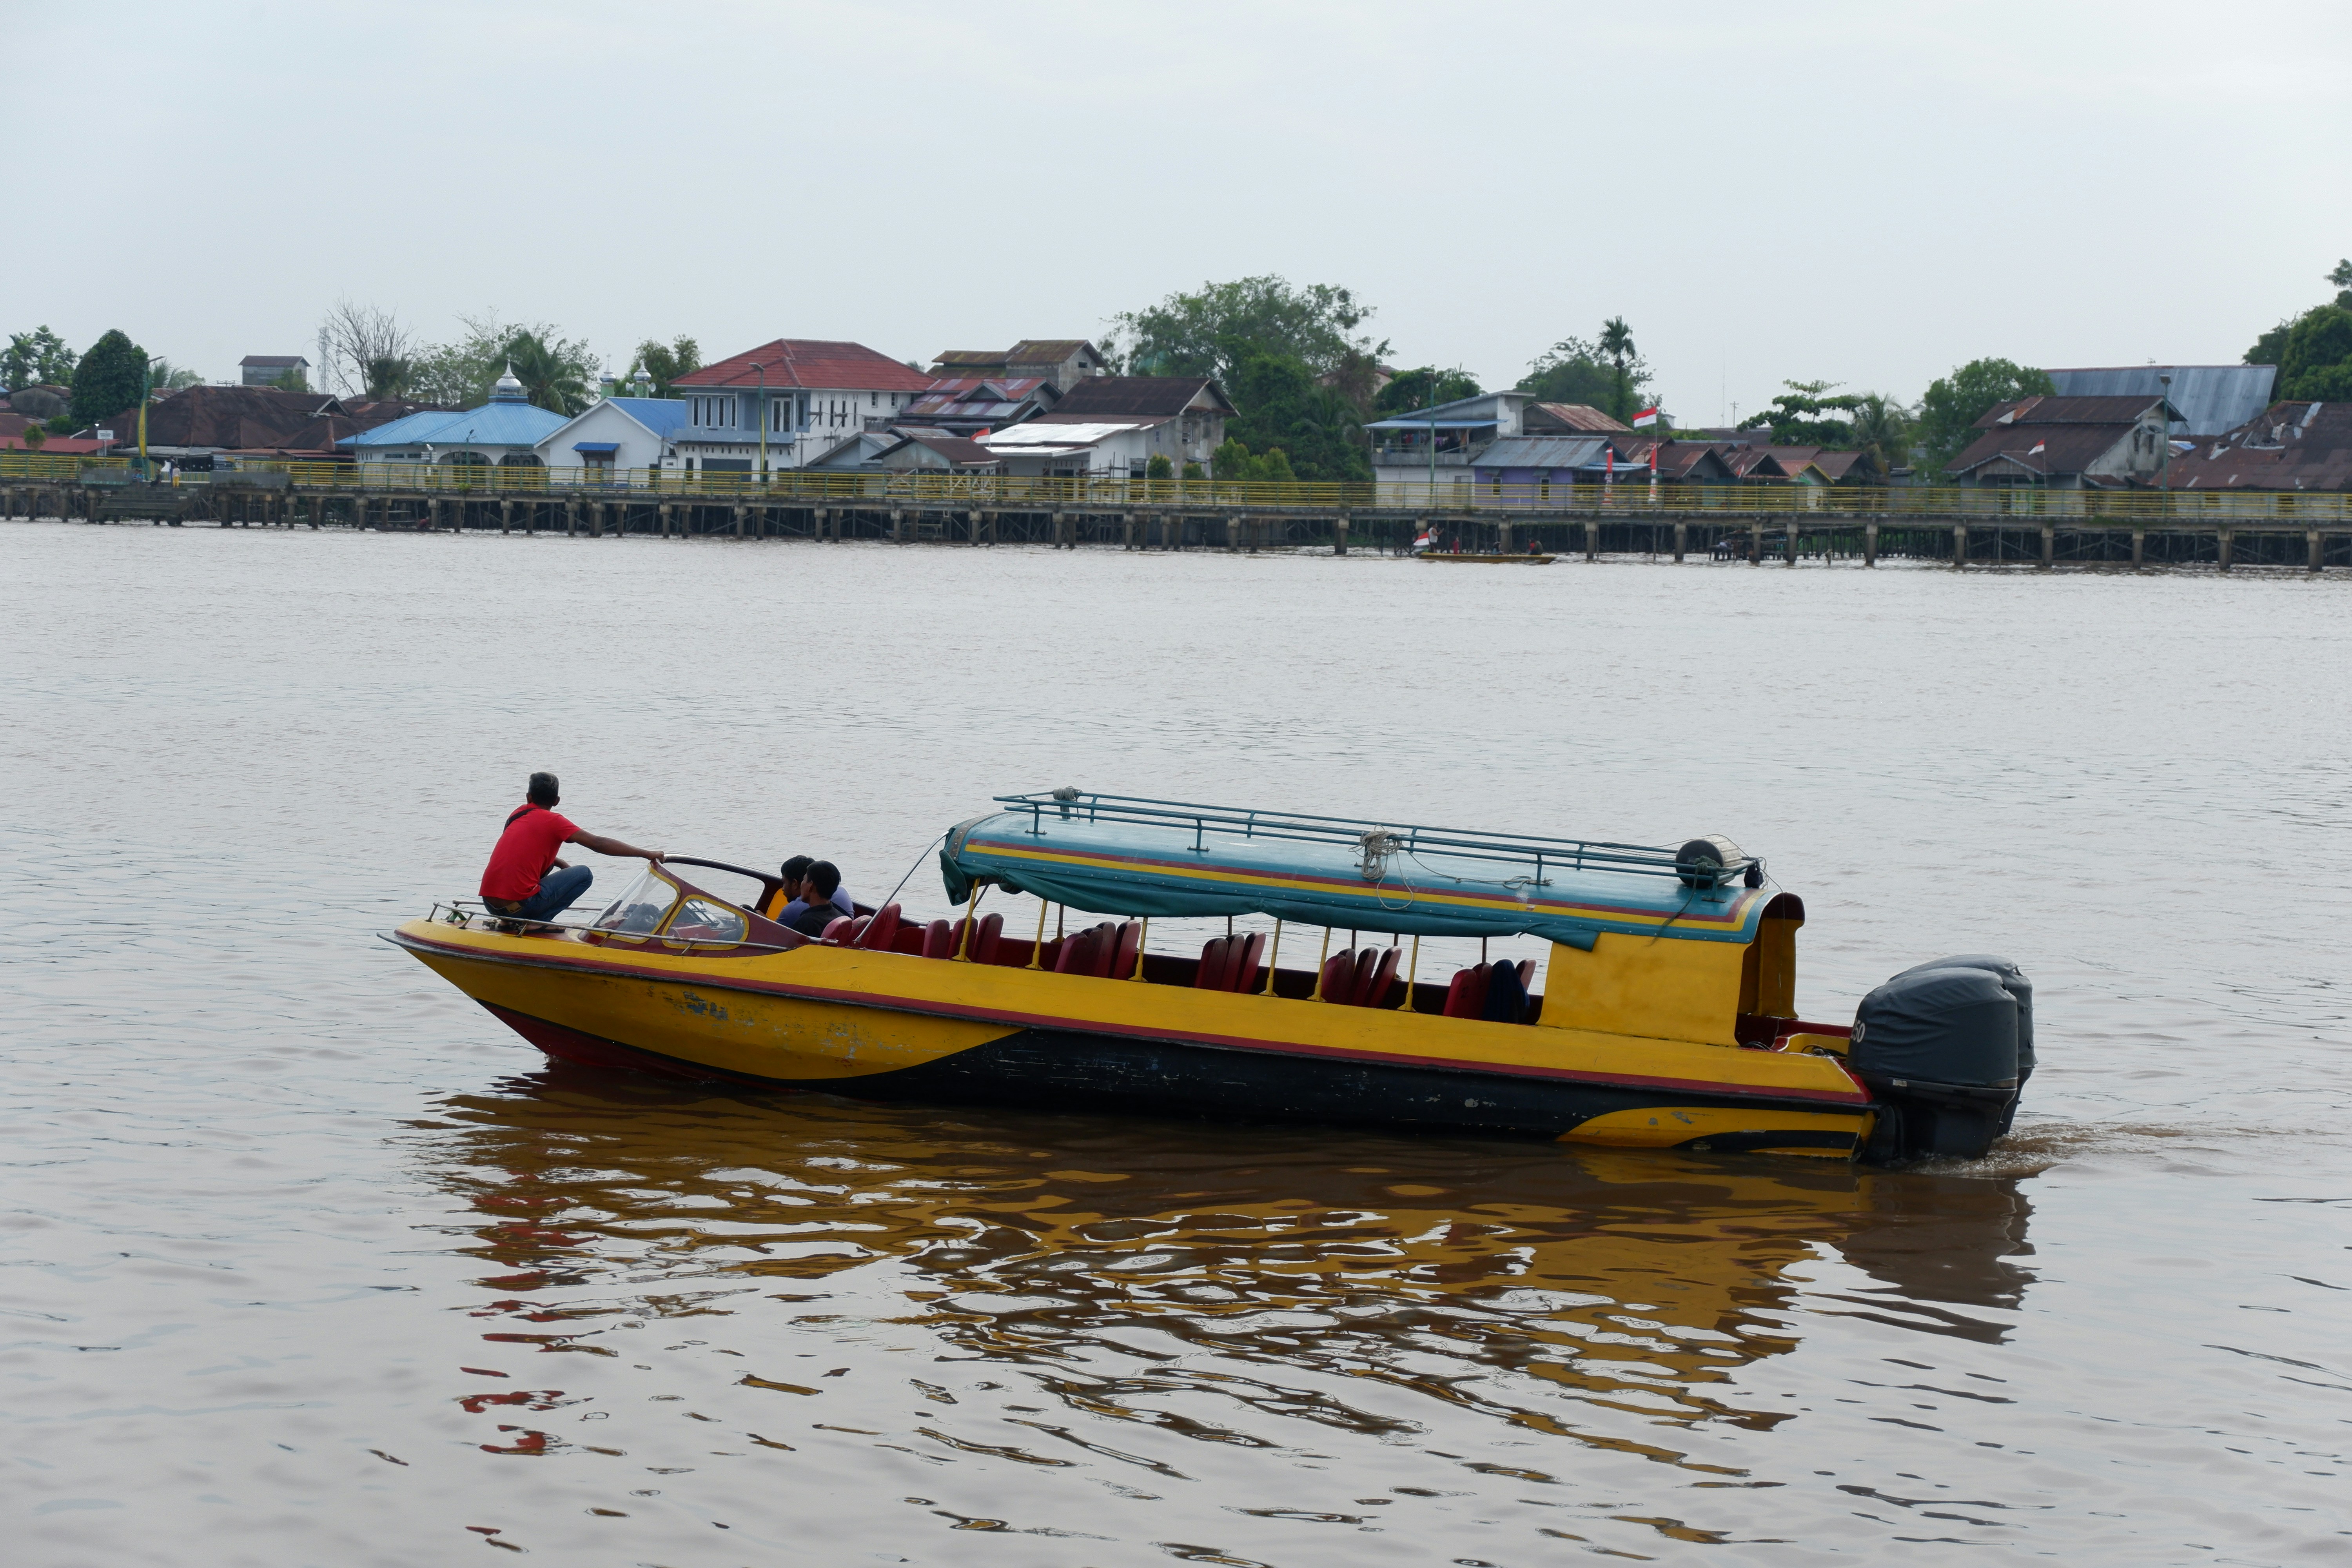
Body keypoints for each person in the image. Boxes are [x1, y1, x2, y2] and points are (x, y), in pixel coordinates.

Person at [479, 771, 665, 927]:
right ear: (557, 801)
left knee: (549, 870)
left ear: (529, 798)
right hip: (522, 906)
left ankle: (509, 922)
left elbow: (520, 851)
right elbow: (598, 843)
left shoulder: (518, 814)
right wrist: (646, 853)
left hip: (489, 903)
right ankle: (538, 923)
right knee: (584, 874)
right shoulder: (555, 822)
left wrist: (559, 863)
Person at [780, 861, 850, 936]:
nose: (802, 885)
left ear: (811, 886)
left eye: (804, 880)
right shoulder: (840, 916)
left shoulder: (805, 923)